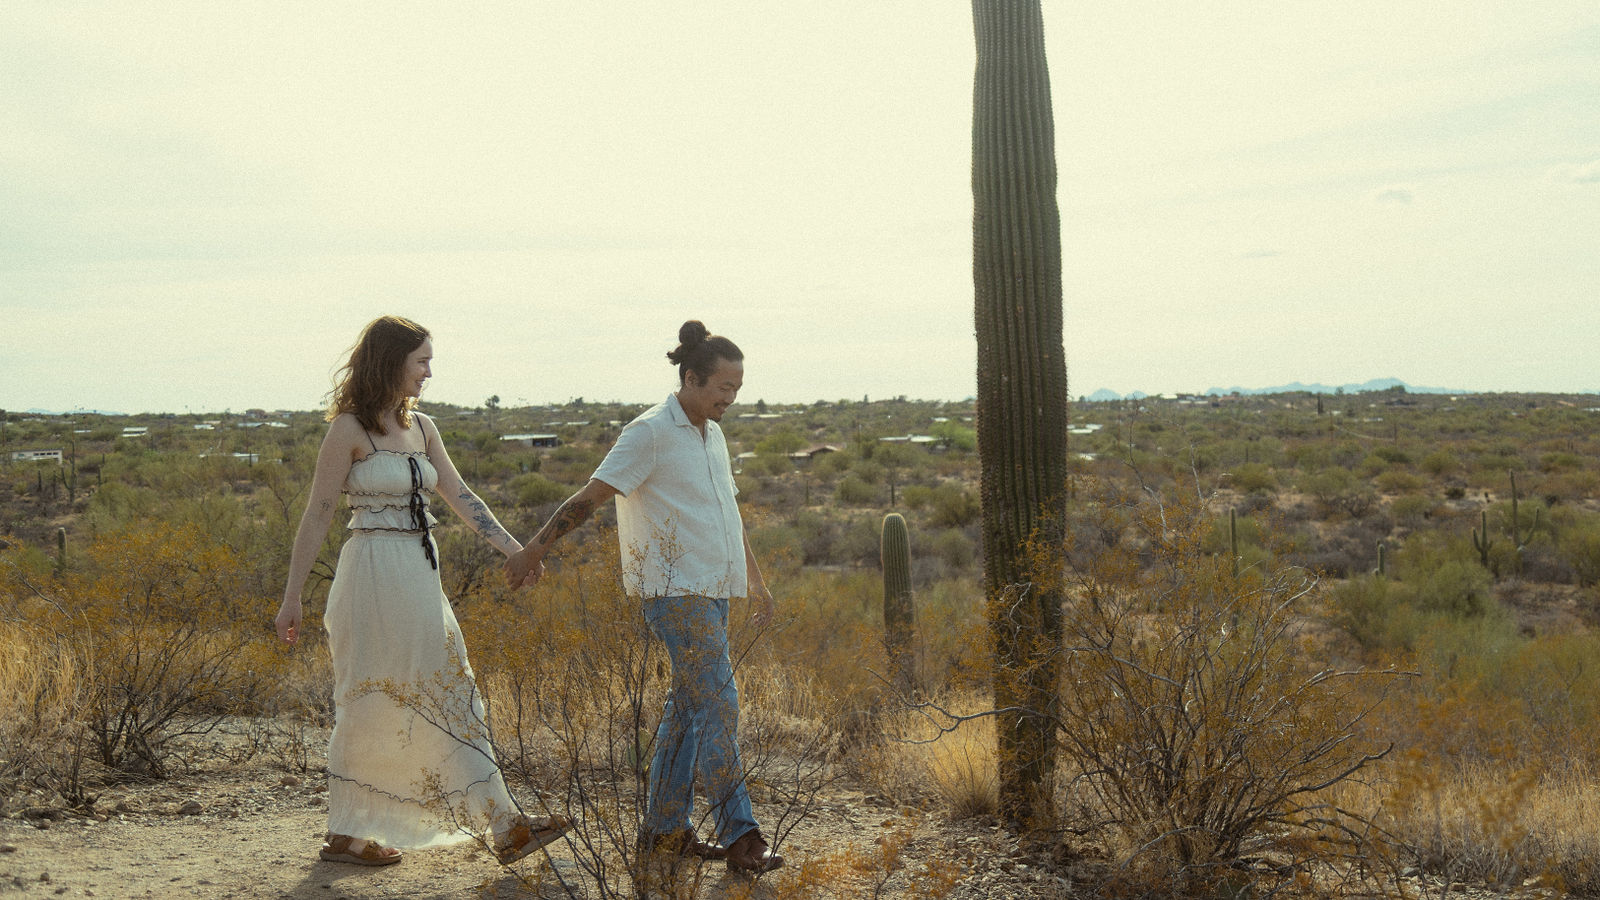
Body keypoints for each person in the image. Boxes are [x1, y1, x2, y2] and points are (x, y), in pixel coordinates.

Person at [275, 315, 570, 867]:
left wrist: (519, 551)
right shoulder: (349, 430)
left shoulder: (424, 427)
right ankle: (348, 831)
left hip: (419, 571)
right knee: (369, 695)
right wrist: (291, 598)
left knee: (451, 691)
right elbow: (317, 513)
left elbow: (461, 497)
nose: (429, 372)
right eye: (422, 362)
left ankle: (505, 826)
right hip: (369, 572)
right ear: (392, 362)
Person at [503, 320, 783, 874]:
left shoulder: (713, 434)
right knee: (718, 705)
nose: (731, 398)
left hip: (713, 589)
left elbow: (728, 513)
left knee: (688, 708)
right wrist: (534, 549)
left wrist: (756, 579)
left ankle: (663, 834)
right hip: (674, 591)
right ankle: (741, 836)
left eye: (737, 389)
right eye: (722, 387)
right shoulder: (649, 432)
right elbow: (590, 497)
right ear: (690, 377)